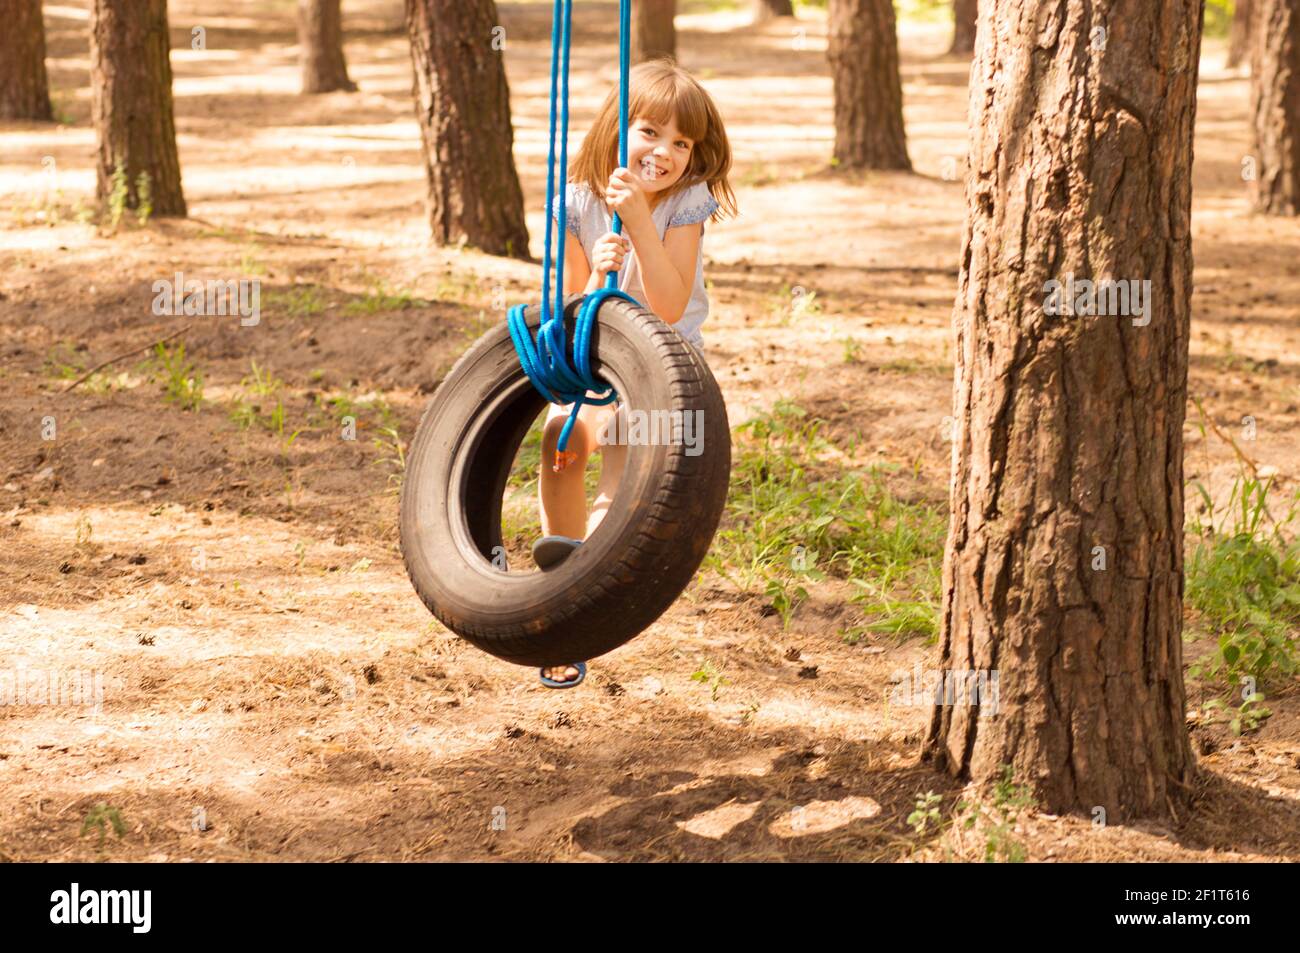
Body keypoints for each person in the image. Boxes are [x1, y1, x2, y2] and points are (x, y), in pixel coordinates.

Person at [534, 59, 737, 688]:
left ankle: (579, 612)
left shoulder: (684, 202)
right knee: (561, 444)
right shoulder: (574, 200)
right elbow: (569, 304)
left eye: (683, 143)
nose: (666, 152)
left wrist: (643, 223)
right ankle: (559, 568)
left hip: (662, 363)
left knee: (618, 479)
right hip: (594, 351)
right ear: (615, 129)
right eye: (650, 132)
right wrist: (598, 271)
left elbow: (670, 305)